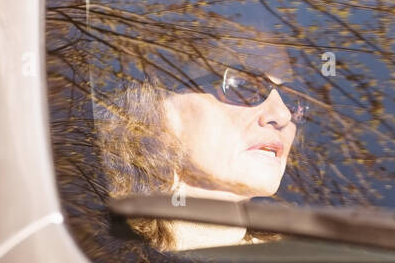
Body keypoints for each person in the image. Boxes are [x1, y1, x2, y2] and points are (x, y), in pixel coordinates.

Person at [96, 41, 306, 250]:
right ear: (160, 107)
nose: (283, 114)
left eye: (290, 97)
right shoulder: (94, 252)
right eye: (243, 86)